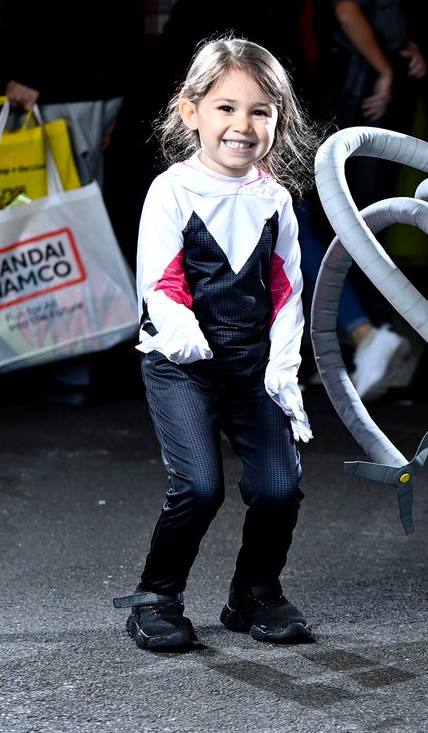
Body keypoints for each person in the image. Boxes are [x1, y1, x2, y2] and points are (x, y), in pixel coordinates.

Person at [113, 37, 322, 651]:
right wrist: (192, 345)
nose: (242, 124)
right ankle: (157, 597)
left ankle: (254, 593)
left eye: (260, 111)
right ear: (191, 111)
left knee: (279, 487)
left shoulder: (275, 198)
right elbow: (161, 281)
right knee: (198, 487)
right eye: (226, 107)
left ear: (278, 123)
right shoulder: (171, 190)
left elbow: (287, 288)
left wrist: (282, 364)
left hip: (254, 365)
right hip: (182, 363)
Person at [0, 0, 143, 404]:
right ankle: (83, 353)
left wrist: (30, 71)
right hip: (96, 84)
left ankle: (74, 361)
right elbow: (126, 3)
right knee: (79, 218)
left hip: (60, 87)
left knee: (62, 228)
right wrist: (118, 94)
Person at [304, 0, 424, 401]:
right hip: (352, 103)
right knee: (348, 225)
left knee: (352, 225)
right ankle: (366, 340)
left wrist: (401, 48)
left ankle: (365, 341)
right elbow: (347, 14)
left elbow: (365, 15)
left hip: (357, 102)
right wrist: (385, 68)